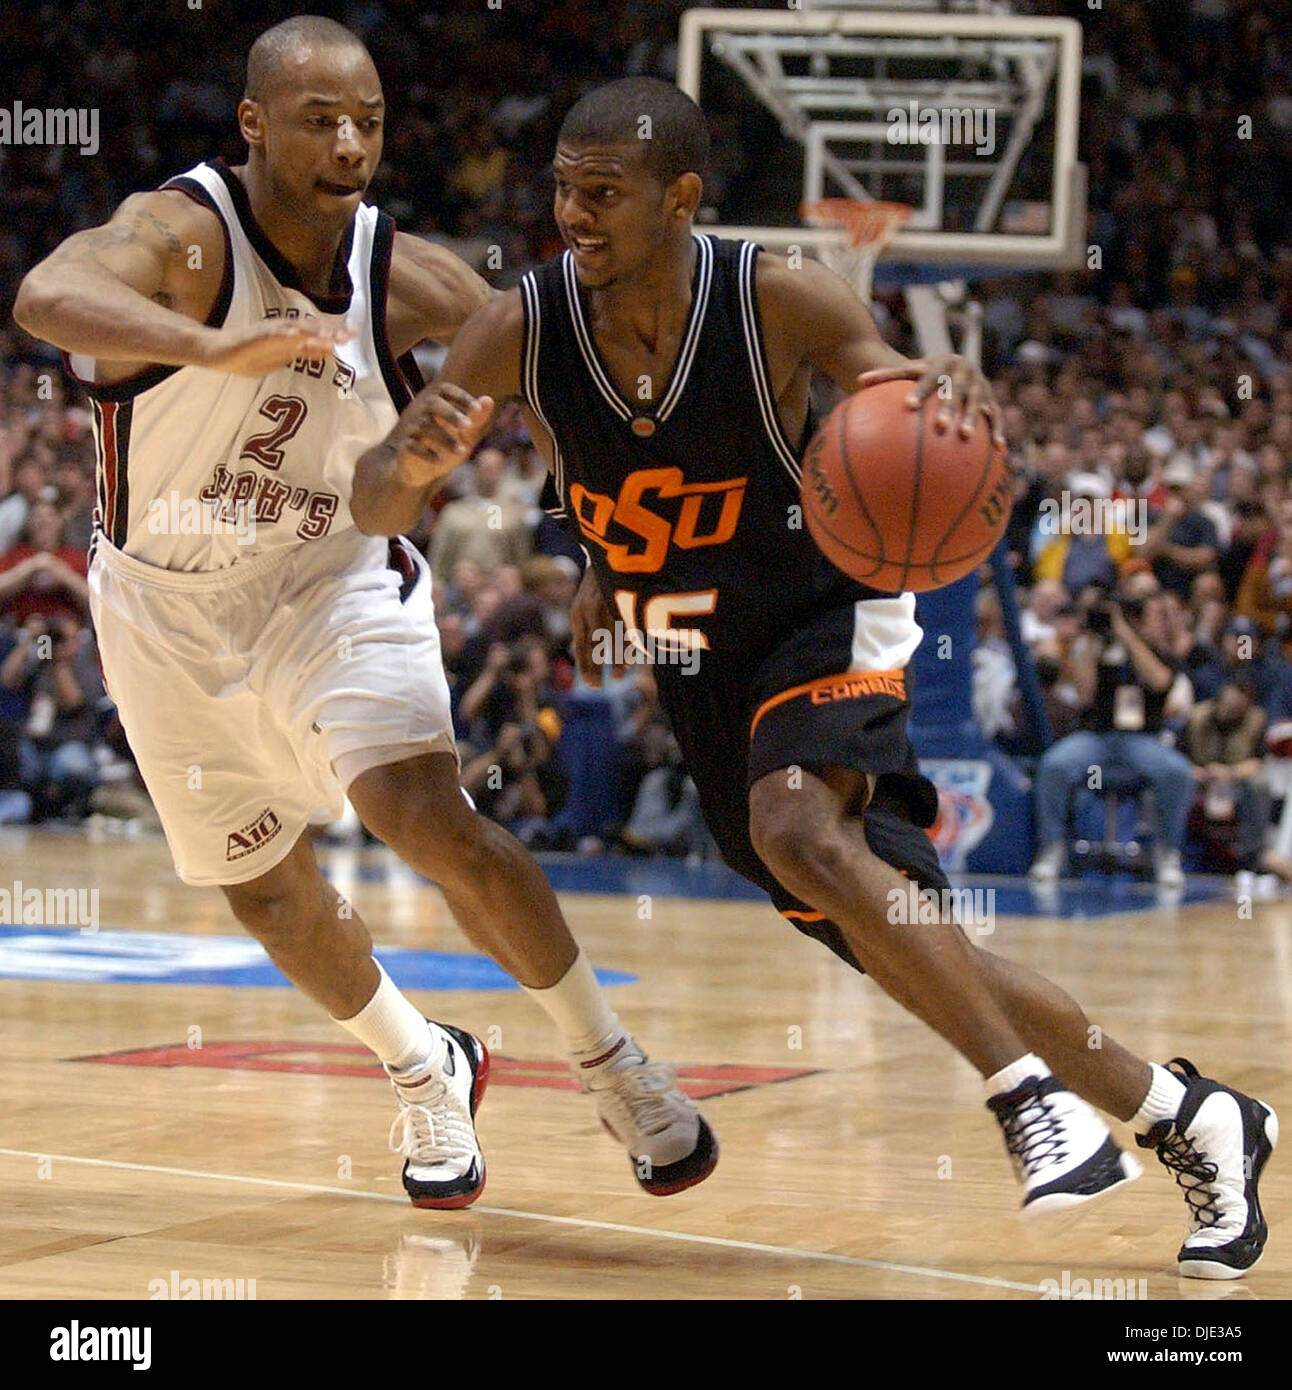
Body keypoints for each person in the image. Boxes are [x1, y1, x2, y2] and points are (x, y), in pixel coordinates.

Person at [353, 76, 1276, 1277]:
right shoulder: (522, 324)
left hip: (831, 612)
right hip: (697, 662)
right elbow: (384, 495)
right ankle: (1188, 1116)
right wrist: (409, 464)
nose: (571, 213)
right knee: (909, 935)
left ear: (680, 197)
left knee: (797, 827)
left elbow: (899, 386)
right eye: (561, 188)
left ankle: (1025, 1104)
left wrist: (951, 396)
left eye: (602, 191)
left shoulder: (772, 293)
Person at [14, 23, 716, 1210]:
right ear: (252, 124)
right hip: (161, 605)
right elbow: (48, 292)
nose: (349, 143)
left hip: (328, 576)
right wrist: (208, 347)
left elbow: (531, 364)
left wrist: (591, 540)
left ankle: (613, 1061)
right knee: (264, 888)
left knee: (423, 815)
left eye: (369, 121)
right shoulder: (184, 236)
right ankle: (421, 1063)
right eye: (317, 118)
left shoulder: (402, 274)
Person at [1029, 590, 1195, 890]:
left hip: (1141, 740)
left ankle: (1168, 853)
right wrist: (1092, 643)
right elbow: (1084, 695)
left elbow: (1160, 682)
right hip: (1097, 737)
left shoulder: (1157, 651)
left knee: (1177, 772)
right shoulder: (1096, 646)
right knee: (1055, 764)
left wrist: (1126, 636)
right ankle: (1051, 849)